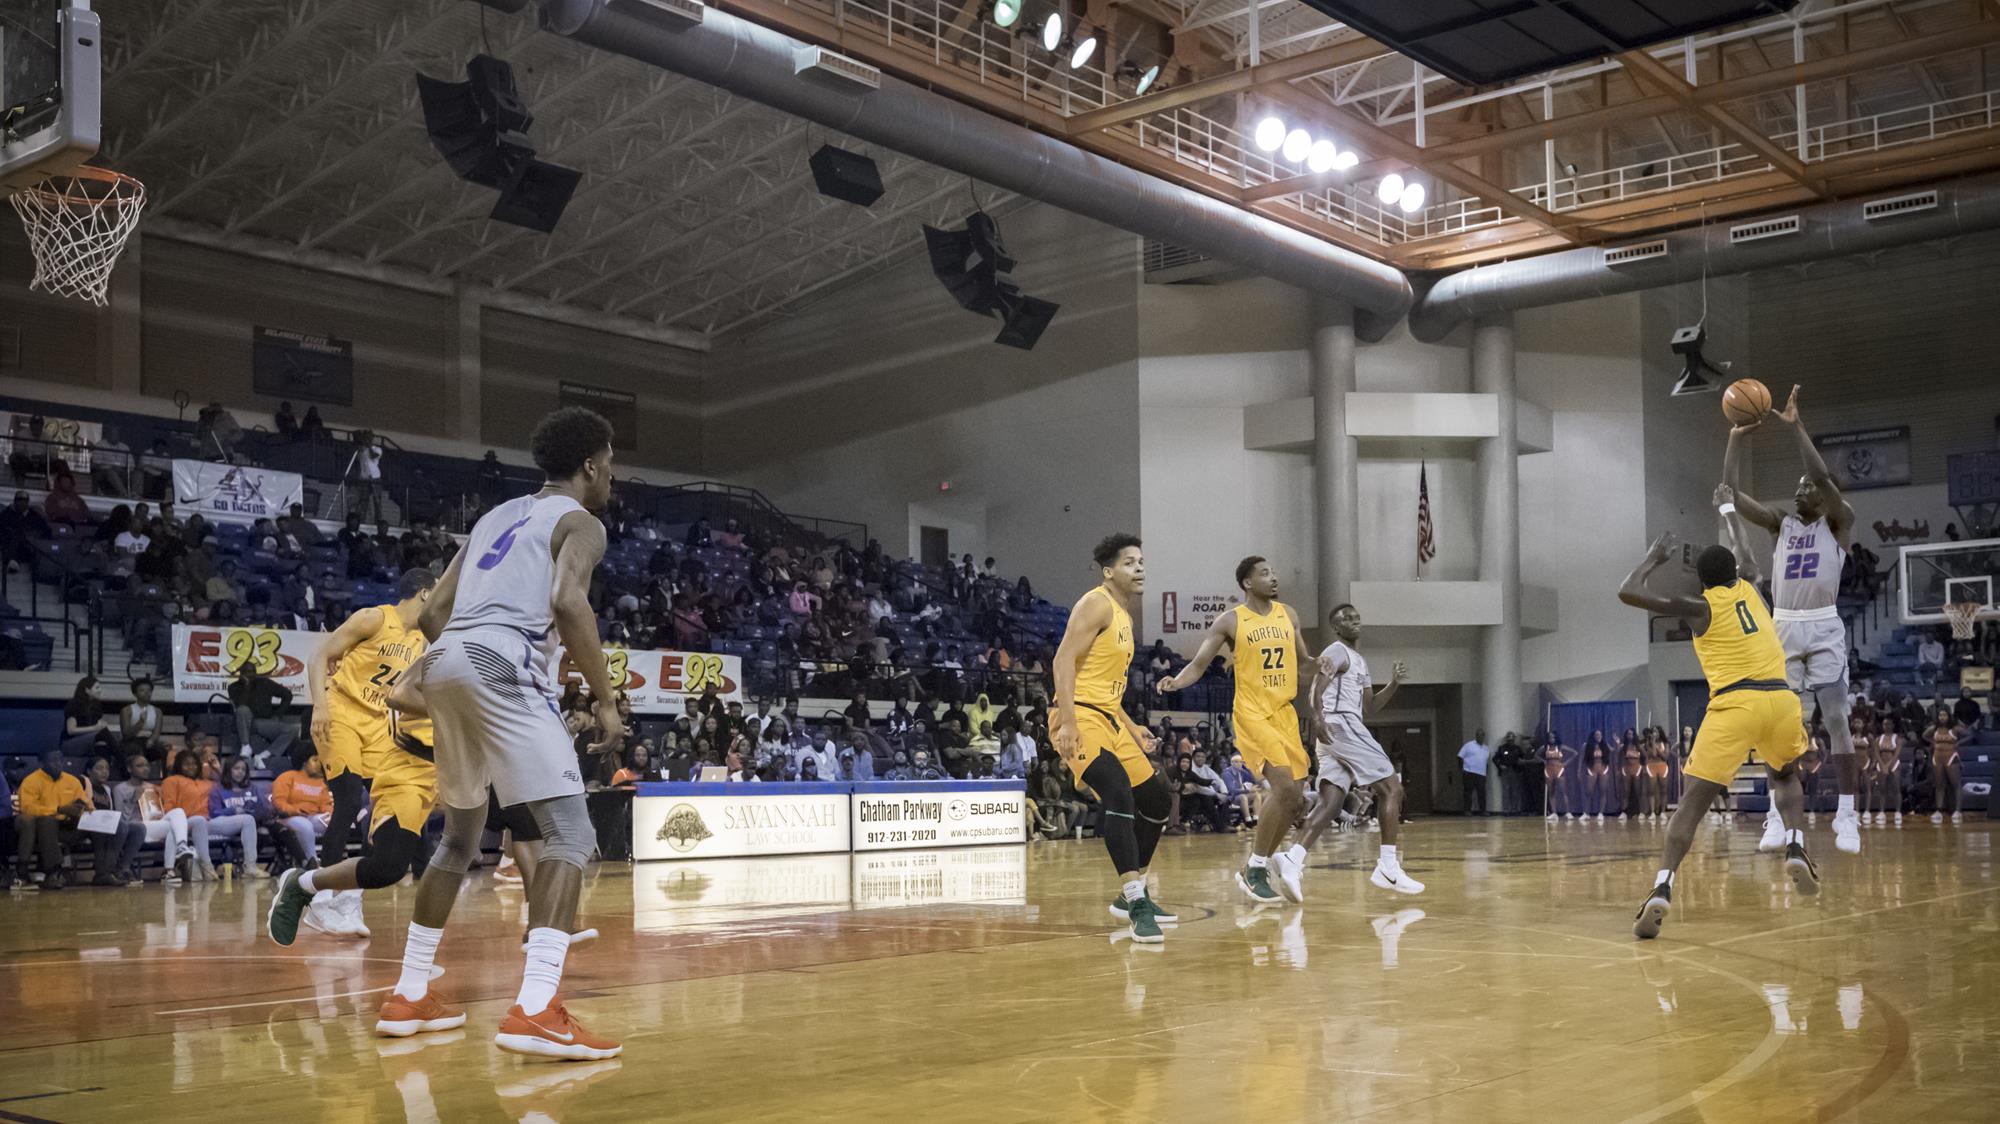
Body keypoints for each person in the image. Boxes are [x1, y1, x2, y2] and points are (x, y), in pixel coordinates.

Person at [271, 406, 624, 1059]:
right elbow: (570, 603)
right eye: (611, 463)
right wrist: (604, 701)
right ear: (590, 464)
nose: (613, 476)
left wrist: (456, 669)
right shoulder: (581, 522)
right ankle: (538, 1008)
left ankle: (410, 995)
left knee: (458, 842)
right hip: (505, 665)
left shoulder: (494, 517)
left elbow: (433, 611)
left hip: (450, 659)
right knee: (571, 834)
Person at [1618, 518, 1819, 941]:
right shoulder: (1752, 586)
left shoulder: (1700, 607)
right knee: (1785, 775)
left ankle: (1662, 886)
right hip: (1782, 699)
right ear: (1735, 573)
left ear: (1702, 580)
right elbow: (1746, 551)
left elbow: (1628, 592)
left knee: (1692, 803)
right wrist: (1727, 511)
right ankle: (1797, 844)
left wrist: (1654, 557)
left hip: (1736, 701)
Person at [1723, 387, 1862, 856]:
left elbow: (1821, 474)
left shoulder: (1839, 521)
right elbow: (1733, 496)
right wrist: (1735, 439)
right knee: (1787, 727)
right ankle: (1775, 817)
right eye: (1799, 485)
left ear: (1825, 497)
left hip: (1823, 625)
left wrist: (1795, 425)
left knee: (1838, 718)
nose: (1801, 488)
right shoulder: (1780, 523)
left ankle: (1847, 813)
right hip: (1782, 626)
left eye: (1808, 486)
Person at [1157, 556, 1321, 905]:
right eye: (1265, 573)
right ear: (1247, 582)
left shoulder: (1288, 614)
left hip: (1284, 714)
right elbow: (1199, 664)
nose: (1273, 577)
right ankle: (1257, 868)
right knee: (1280, 784)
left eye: (1274, 572)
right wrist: (1176, 682)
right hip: (1252, 713)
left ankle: (1254, 867)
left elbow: (1304, 664)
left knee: (1293, 798)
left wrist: (1322, 664)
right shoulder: (1231, 620)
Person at [289, 567, 438, 938]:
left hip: (380, 726)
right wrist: (320, 706)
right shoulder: (374, 617)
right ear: (423, 593)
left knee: (377, 810)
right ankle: (320, 901)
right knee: (348, 798)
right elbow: (319, 657)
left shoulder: (422, 640)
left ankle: (349, 899)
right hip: (340, 713)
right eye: (437, 593)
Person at [1049, 533, 1175, 944]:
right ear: (1109, 571)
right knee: (1118, 793)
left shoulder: (1123, 615)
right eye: (1129, 562)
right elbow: (1063, 659)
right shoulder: (1096, 603)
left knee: (1157, 798)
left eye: (1141, 561)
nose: (1139, 568)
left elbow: (1105, 684)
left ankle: (1127, 895)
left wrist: (1132, 724)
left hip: (1109, 718)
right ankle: (1137, 899)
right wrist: (1067, 723)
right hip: (1078, 717)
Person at [1290, 602, 1423, 895]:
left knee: (1331, 803)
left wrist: (1394, 684)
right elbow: (1315, 688)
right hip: (1340, 724)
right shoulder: (1336, 651)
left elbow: (1370, 707)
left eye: (1356, 616)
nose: (1354, 620)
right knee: (1392, 788)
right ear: (1336, 627)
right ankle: (1388, 867)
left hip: (1341, 727)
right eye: (1345, 618)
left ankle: (1292, 859)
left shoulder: (1358, 660)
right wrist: (1317, 718)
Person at [112, 754, 194, 883]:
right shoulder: (120, 789)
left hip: (154, 824)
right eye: (139, 766)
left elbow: (160, 813)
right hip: (137, 828)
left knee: (178, 812)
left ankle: (181, 846)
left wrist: (160, 799)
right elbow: (121, 820)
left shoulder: (152, 787)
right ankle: (169, 869)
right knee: (173, 828)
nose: (145, 769)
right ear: (129, 769)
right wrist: (133, 800)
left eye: (147, 765)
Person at [15, 747, 88, 890]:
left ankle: (108, 871)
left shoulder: (72, 781)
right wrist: (58, 809)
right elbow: (28, 808)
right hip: (36, 826)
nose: (59, 763)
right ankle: (53, 872)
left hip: (68, 825)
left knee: (108, 826)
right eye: (53, 761)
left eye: (61, 760)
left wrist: (81, 810)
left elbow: (85, 804)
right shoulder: (31, 781)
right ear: (41, 764)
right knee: (47, 821)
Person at [207, 756, 273, 877]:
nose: (240, 772)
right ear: (228, 770)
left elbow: (264, 809)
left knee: (263, 832)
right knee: (248, 820)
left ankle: (243, 865)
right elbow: (214, 812)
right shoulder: (218, 788)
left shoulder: (252, 787)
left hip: (247, 825)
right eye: (236, 768)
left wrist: (252, 811)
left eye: (243, 769)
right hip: (221, 823)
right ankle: (250, 867)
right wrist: (233, 811)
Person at [161, 749, 217, 880]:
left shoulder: (208, 783)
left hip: (209, 821)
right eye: (186, 764)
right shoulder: (172, 781)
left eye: (194, 763)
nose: (191, 767)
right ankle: (207, 866)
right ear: (179, 765)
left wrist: (217, 769)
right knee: (198, 820)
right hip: (185, 823)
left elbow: (225, 788)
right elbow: (170, 807)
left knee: (246, 820)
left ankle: (250, 867)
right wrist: (177, 823)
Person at [272, 755, 334, 865]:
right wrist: (295, 810)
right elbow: (279, 802)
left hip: (312, 816)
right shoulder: (287, 777)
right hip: (288, 817)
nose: (318, 764)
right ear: (304, 762)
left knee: (333, 824)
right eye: (314, 760)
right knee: (305, 825)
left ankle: (332, 861)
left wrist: (329, 813)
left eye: (320, 761)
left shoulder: (319, 781)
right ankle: (312, 861)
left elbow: (326, 803)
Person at [61, 676, 119, 762]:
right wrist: (95, 728)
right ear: (87, 690)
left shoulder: (96, 705)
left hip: (88, 740)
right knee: (103, 733)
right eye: (97, 688)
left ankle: (106, 771)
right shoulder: (73, 704)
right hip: (70, 743)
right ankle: (124, 765)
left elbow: (96, 727)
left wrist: (100, 725)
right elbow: (71, 730)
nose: (100, 690)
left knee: (103, 744)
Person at [1926, 707, 1965, 824]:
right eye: (1940, 715)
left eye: (1944, 715)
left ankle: (1957, 811)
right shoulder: (1934, 729)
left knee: (1956, 785)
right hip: (1937, 758)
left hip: (1951, 757)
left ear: (1949, 716)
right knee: (1939, 785)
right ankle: (1939, 810)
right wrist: (1933, 743)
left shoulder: (1955, 729)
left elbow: (1970, 734)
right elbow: (1924, 735)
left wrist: (1958, 743)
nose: (1942, 717)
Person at [119, 677, 168, 760]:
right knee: (135, 750)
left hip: (149, 739)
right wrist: (140, 723)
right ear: (135, 694)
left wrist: (151, 740)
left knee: (162, 750)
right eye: (142, 690)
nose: (146, 693)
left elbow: (156, 733)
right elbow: (126, 734)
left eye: (149, 690)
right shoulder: (127, 710)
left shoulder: (157, 711)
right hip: (132, 740)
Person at [1457, 729, 1490, 815]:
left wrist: (1486, 773)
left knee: (1482, 793)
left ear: (1484, 736)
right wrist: (1462, 769)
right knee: (1468, 792)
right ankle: (1467, 810)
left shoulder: (1486, 748)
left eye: (1482, 735)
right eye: (1478, 735)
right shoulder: (1468, 745)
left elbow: (1485, 762)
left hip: (1481, 774)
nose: (1480, 736)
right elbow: (1460, 757)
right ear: (1476, 736)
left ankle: (1483, 811)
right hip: (1469, 772)